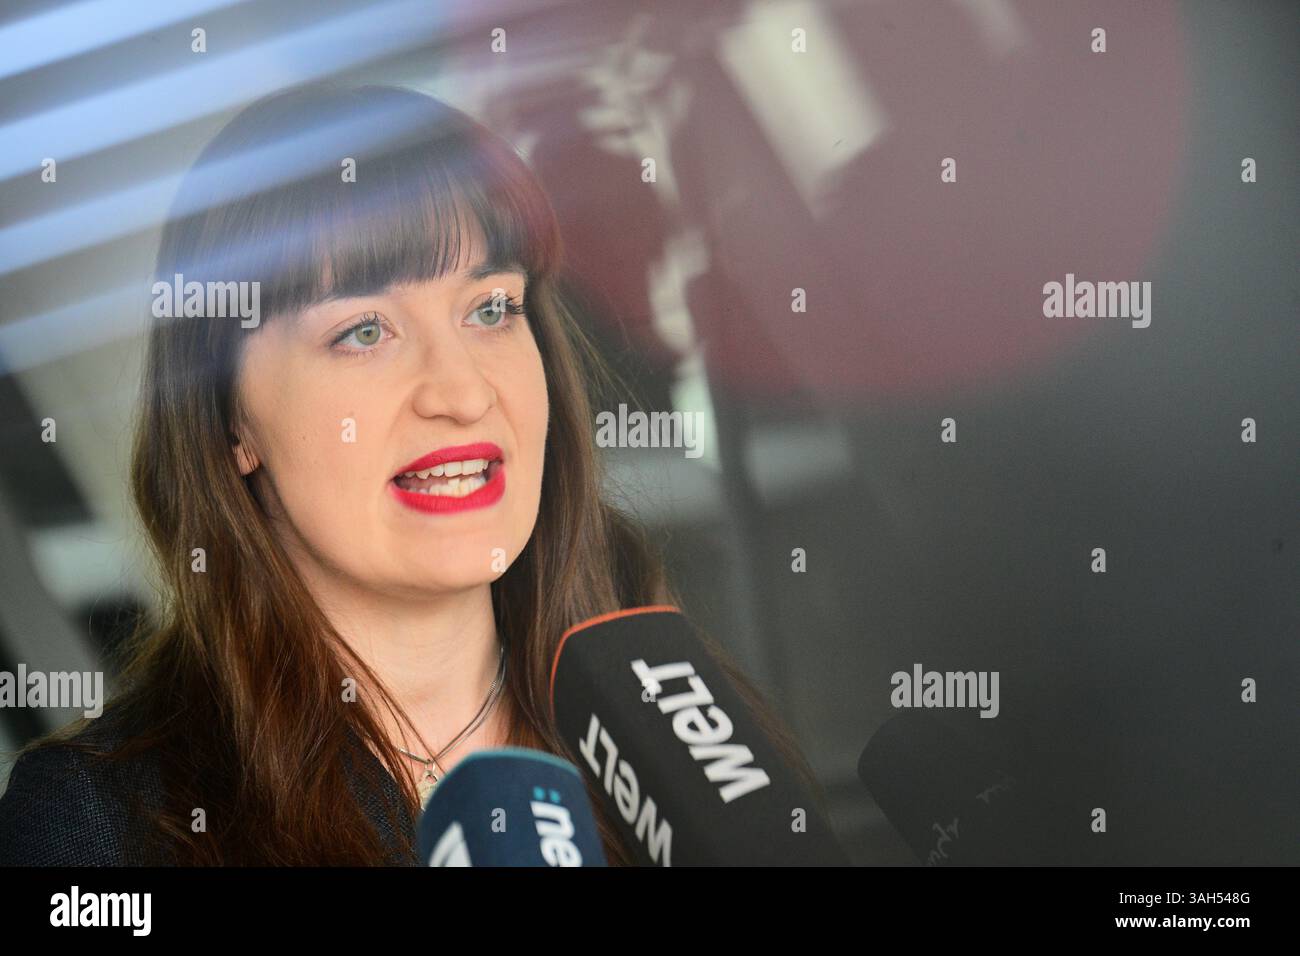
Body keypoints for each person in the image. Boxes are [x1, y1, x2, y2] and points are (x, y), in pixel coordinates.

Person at [0, 84, 822, 865]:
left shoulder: (682, 737)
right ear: (230, 422)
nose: (463, 393)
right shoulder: (98, 821)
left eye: (491, 309)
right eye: (363, 330)